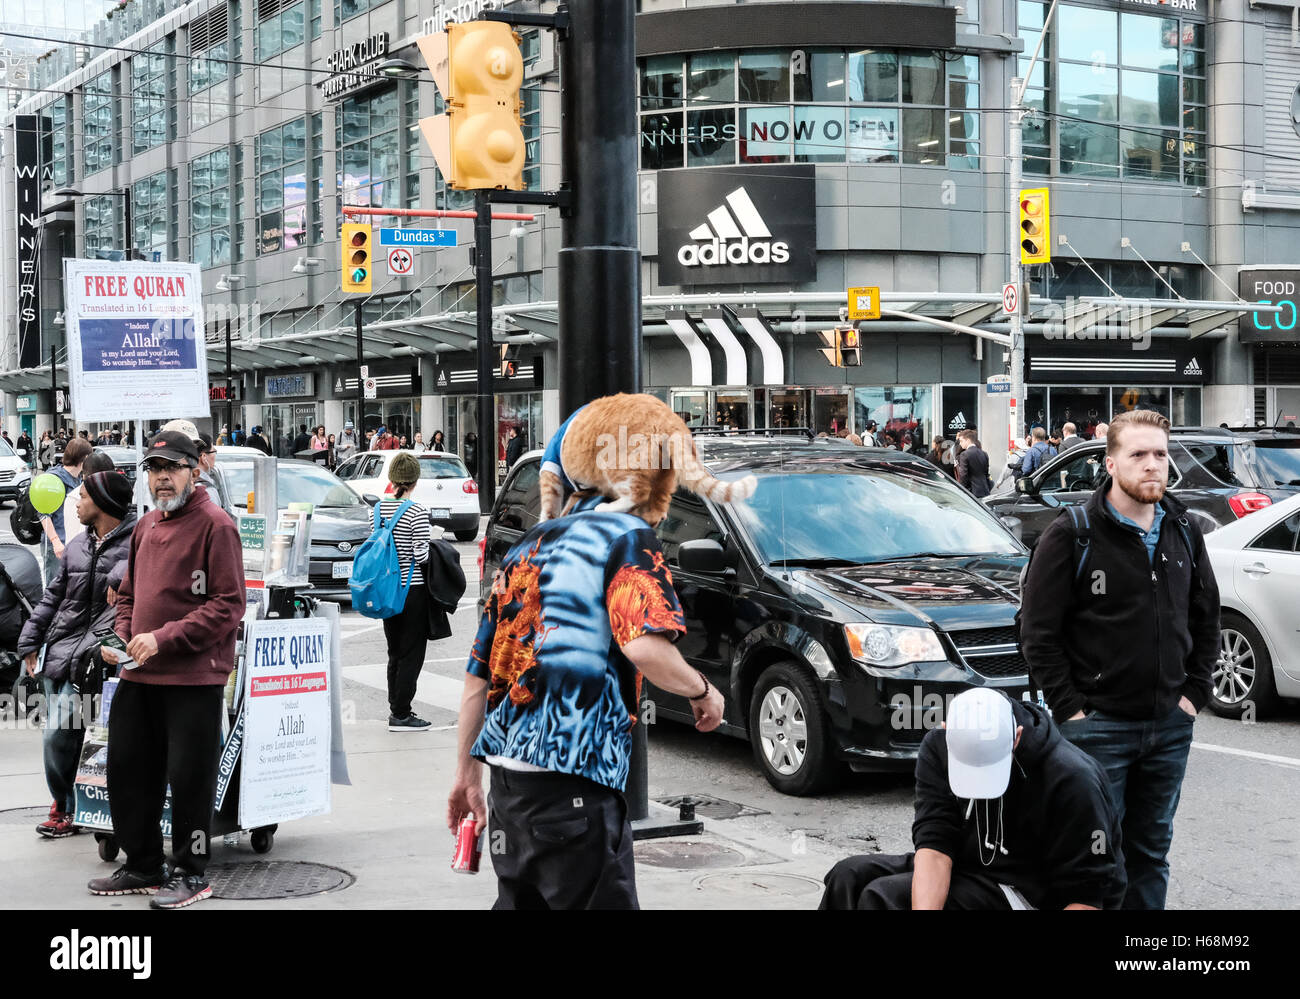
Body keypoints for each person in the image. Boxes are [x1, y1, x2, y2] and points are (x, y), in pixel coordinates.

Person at [447, 484, 726, 910]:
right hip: (572, 783)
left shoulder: (527, 544)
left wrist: (467, 777)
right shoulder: (626, 536)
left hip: (509, 790)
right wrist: (702, 690)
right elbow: (644, 646)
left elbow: (477, 679)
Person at [1019, 409, 1219, 910]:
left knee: (1151, 853)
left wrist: (1193, 698)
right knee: (1091, 857)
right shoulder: (1073, 533)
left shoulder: (1184, 530)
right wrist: (1072, 714)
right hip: (1097, 729)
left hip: (1169, 726)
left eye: (1161, 454)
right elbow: (1038, 633)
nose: (1153, 465)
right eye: (1138, 455)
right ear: (1110, 463)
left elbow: (1206, 619)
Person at [88, 430, 245, 909]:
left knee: (189, 777)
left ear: (194, 470)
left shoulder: (216, 526)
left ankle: (191, 872)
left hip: (193, 677)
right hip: (138, 674)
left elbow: (227, 605)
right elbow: (129, 596)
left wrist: (163, 638)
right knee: (128, 769)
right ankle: (142, 864)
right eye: (154, 470)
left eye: (171, 468)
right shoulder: (145, 527)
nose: (161, 478)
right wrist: (119, 638)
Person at [820, 688, 1124, 910]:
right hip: (971, 867)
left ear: (1016, 737)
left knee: (884, 898)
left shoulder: (1072, 778)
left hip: (1032, 891)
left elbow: (1087, 898)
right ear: (946, 733)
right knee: (848, 876)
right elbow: (935, 846)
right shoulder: (937, 746)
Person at [19, 470, 137, 839]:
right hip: (60, 651)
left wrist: (121, 574)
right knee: (60, 735)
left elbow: (144, 576)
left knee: (60, 732)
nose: (75, 500)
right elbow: (53, 597)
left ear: (102, 504)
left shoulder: (140, 542)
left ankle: (68, 807)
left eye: (83, 495)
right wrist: (29, 641)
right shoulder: (78, 545)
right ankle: (68, 804)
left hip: (96, 657)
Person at [376, 453, 433, 733]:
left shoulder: (377, 510)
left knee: (394, 651)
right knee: (412, 653)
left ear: (392, 479)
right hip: (413, 590)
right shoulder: (416, 511)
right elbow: (421, 555)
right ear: (415, 480)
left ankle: (395, 706)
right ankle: (401, 714)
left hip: (387, 590)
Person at [39, 438, 92, 582]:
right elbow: (43, 514)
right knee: (55, 588)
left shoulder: (78, 479)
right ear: (84, 458)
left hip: (74, 543)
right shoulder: (54, 479)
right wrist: (56, 542)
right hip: (58, 545)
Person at [955, 430, 993, 498]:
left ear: (968, 440)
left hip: (972, 492)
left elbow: (963, 476)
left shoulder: (964, 454)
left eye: (961, 441)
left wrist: (960, 490)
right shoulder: (984, 453)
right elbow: (986, 474)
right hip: (985, 490)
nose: (960, 444)